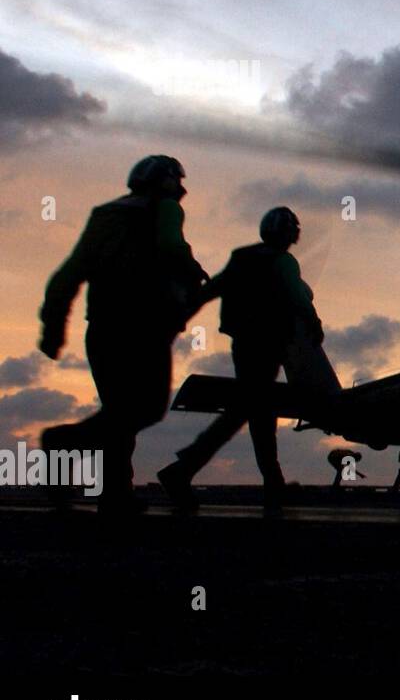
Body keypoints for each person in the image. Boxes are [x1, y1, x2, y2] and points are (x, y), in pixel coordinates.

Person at [39, 155, 207, 512]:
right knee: (145, 408)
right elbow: (170, 247)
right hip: (143, 327)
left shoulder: (105, 214)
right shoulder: (164, 209)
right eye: (177, 181)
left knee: (118, 412)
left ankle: (115, 494)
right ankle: (64, 441)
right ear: (165, 182)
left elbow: (70, 272)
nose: (181, 189)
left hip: (101, 330)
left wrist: (53, 326)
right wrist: (192, 270)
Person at [158, 207, 321, 512]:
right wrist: (314, 323)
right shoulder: (283, 261)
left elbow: (211, 290)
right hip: (268, 346)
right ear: (289, 233)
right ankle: (181, 471)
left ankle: (273, 486)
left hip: (243, 346)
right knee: (247, 413)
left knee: (258, 413)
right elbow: (297, 297)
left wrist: (179, 318)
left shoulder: (241, 257)